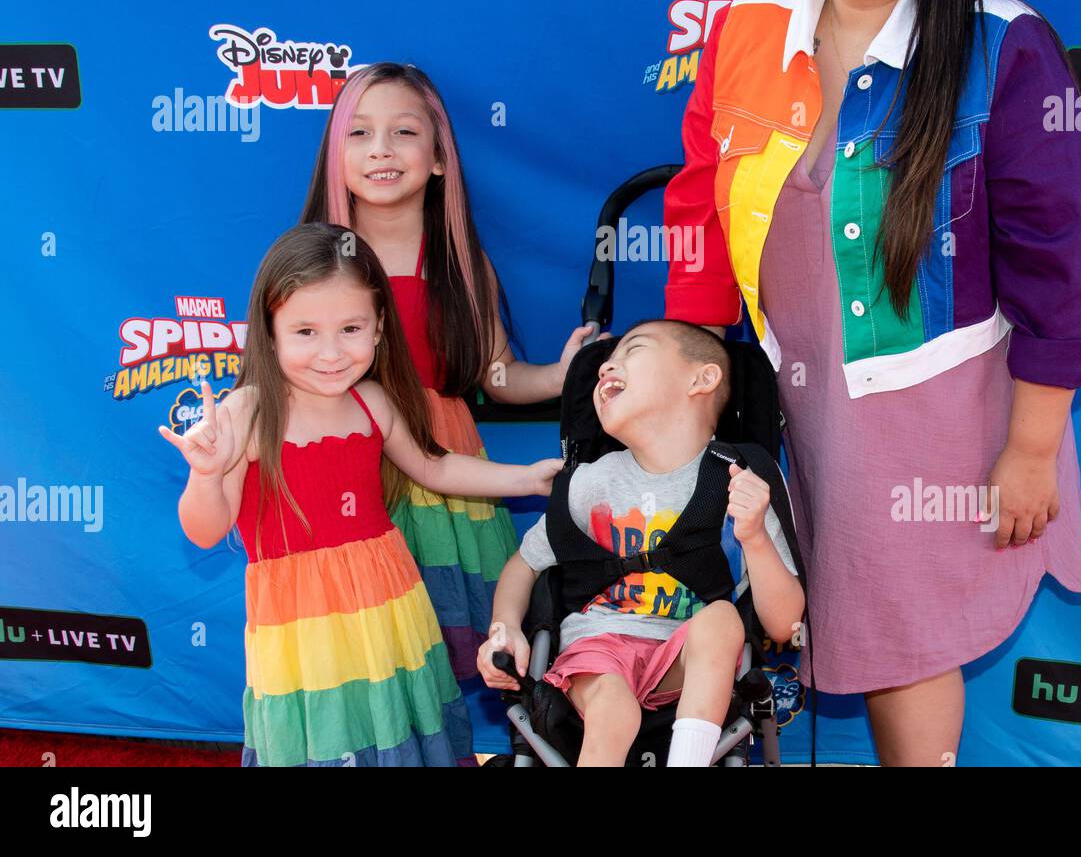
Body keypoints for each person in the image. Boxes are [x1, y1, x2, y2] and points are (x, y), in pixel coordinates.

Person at [663, 0, 1081, 766]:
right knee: (809, 610)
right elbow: (696, 212)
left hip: (940, 414)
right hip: (793, 397)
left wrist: (1031, 449)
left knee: (906, 633)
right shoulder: (743, 30)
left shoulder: (1005, 43)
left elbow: (1054, 269)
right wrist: (685, 383)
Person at [163, 222, 561, 766]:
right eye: (305, 332)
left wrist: (529, 478)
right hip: (303, 627)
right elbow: (205, 531)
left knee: (401, 724)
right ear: (270, 330)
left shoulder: (373, 400)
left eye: (350, 328)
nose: (330, 352)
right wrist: (206, 476)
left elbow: (435, 468)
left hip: (392, 603)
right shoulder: (248, 411)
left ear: (378, 329)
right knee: (330, 738)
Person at [299, 62, 597, 681]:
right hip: (345, 465)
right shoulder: (309, 263)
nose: (380, 149)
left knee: (431, 650)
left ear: (438, 158)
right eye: (358, 133)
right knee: (360, 649)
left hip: (444, 468)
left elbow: (496, 373)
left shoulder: (464, 264)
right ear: (335, 155)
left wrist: (561, 374)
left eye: (403, 132)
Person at [477, 320, 804, 767]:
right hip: (597, 650)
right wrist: (505, 628)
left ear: (702, 379)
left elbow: (785, 625)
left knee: (723, 617)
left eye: (634, 350)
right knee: (614, 709)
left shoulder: (737, 482)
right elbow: (524, 565)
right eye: (607, 361)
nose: (607, 366)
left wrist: (754, 537)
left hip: (685, 662)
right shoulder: (589, 483)